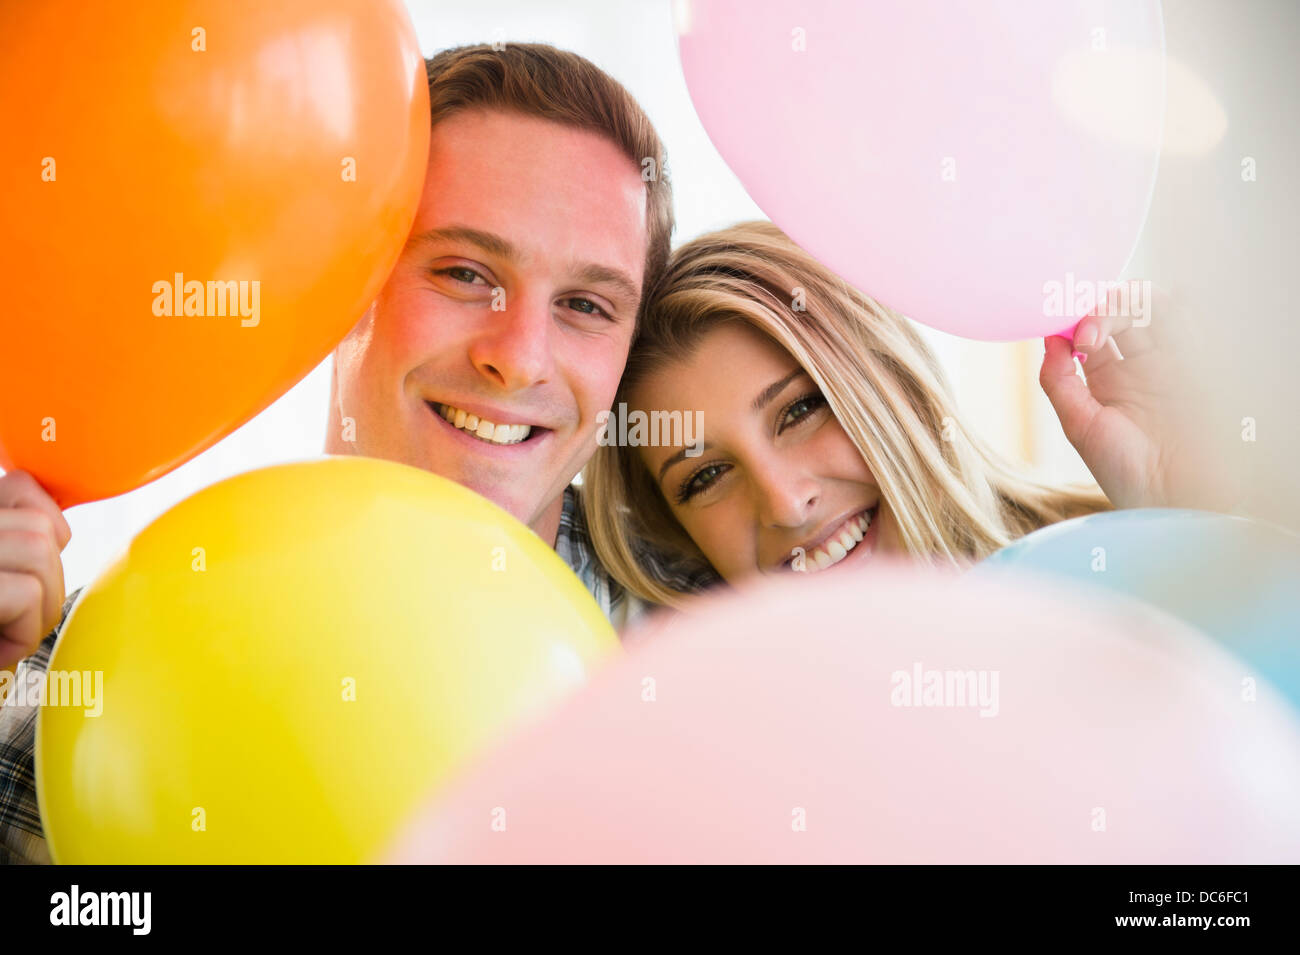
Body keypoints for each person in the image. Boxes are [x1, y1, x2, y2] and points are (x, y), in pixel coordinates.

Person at [0, 42, 683, 864]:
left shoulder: (706, 652)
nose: (522, 357)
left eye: (585, 304)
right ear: (339, 277)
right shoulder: (83, 667)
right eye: (464, 272)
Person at [584, 221, 1219, 606]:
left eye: (801, 410)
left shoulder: (1142, 573)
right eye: (704, 477)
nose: (783, 503)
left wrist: (1195, 513)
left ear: (893, 380)